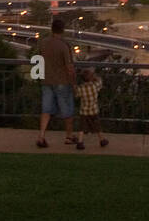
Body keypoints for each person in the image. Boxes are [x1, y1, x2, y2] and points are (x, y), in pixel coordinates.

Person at [34, 17, 76, 149]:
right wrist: (74, 82)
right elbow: (69, 67)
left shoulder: (43, 43)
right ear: (62, 30)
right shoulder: (64, 45)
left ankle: (41, 136)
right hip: (62, 81)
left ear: (51, 29)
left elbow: (39, 59)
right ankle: (69, 137)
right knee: (67, 110)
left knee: (46, 109)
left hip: (46, 80)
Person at [74, 67, 108, 148]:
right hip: (94, 110)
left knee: (82, 127)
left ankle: (80, 142)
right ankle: (102, 140)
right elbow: (100, 82)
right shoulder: (94, 86)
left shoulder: (81, 88)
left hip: (83, 111)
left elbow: (76, 95)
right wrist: (95, 77)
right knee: (97, 126)